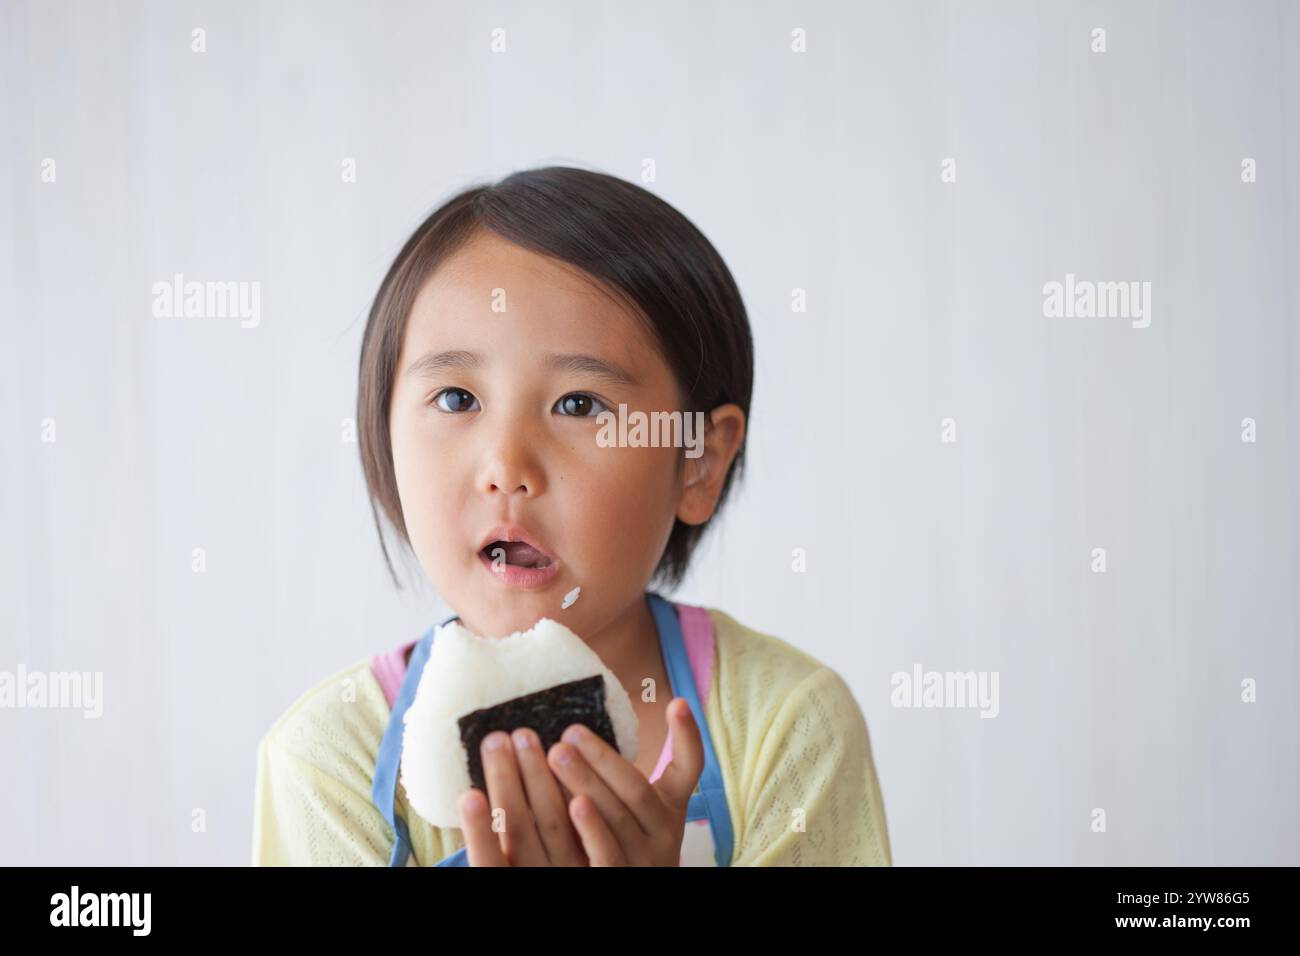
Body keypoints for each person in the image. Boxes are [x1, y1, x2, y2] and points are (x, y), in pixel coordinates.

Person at [251, 166, 891, 866]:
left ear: (697, 462)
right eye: (458, 399)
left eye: (580, 405)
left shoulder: (787, 724)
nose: (506, 467)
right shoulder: (328, 760)